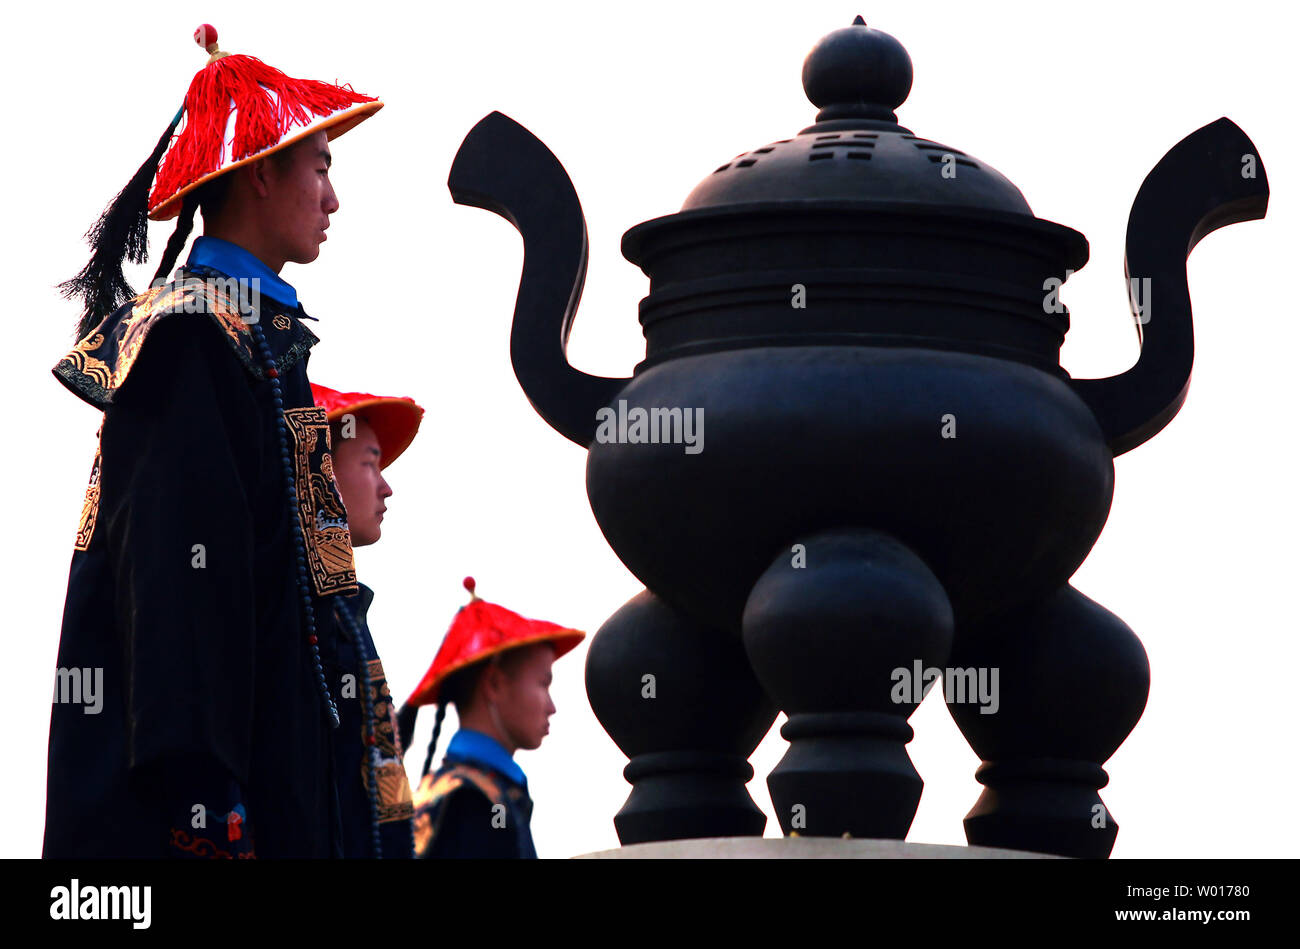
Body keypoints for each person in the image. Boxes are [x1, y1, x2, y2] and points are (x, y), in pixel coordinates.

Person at [44, 25, 382, 858]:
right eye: (321, 166)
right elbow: (176, 580)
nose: (333, 197)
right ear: (261, 173)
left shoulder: (260, 339)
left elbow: (311, 612)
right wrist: (203, 795)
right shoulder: (192, 338)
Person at [312, 383, 424, 858]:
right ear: (315, 468)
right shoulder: (300, 615)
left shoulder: (343, 609)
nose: (386, 485)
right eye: (370, 463)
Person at [398, 580, 584, 858]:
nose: (551, 707)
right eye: (543, 684)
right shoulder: (471, 802)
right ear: (495, 684)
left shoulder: (458, 789)